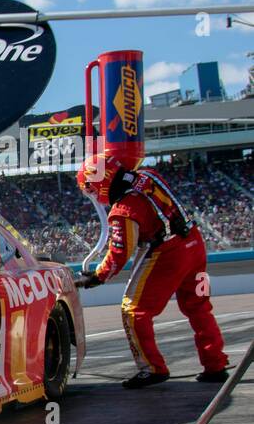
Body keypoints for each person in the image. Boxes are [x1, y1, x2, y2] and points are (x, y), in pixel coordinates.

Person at [75, 152, 228, 387]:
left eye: (91, 190)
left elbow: (119, 254)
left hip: (168, 254)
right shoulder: (149, 175)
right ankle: (215, 364)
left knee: (134, 310)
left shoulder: (122, 211)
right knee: (200, 307)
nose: (95, 196)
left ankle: (152, 368)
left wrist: (97, 276)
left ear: (100, 183)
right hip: (195, 244)